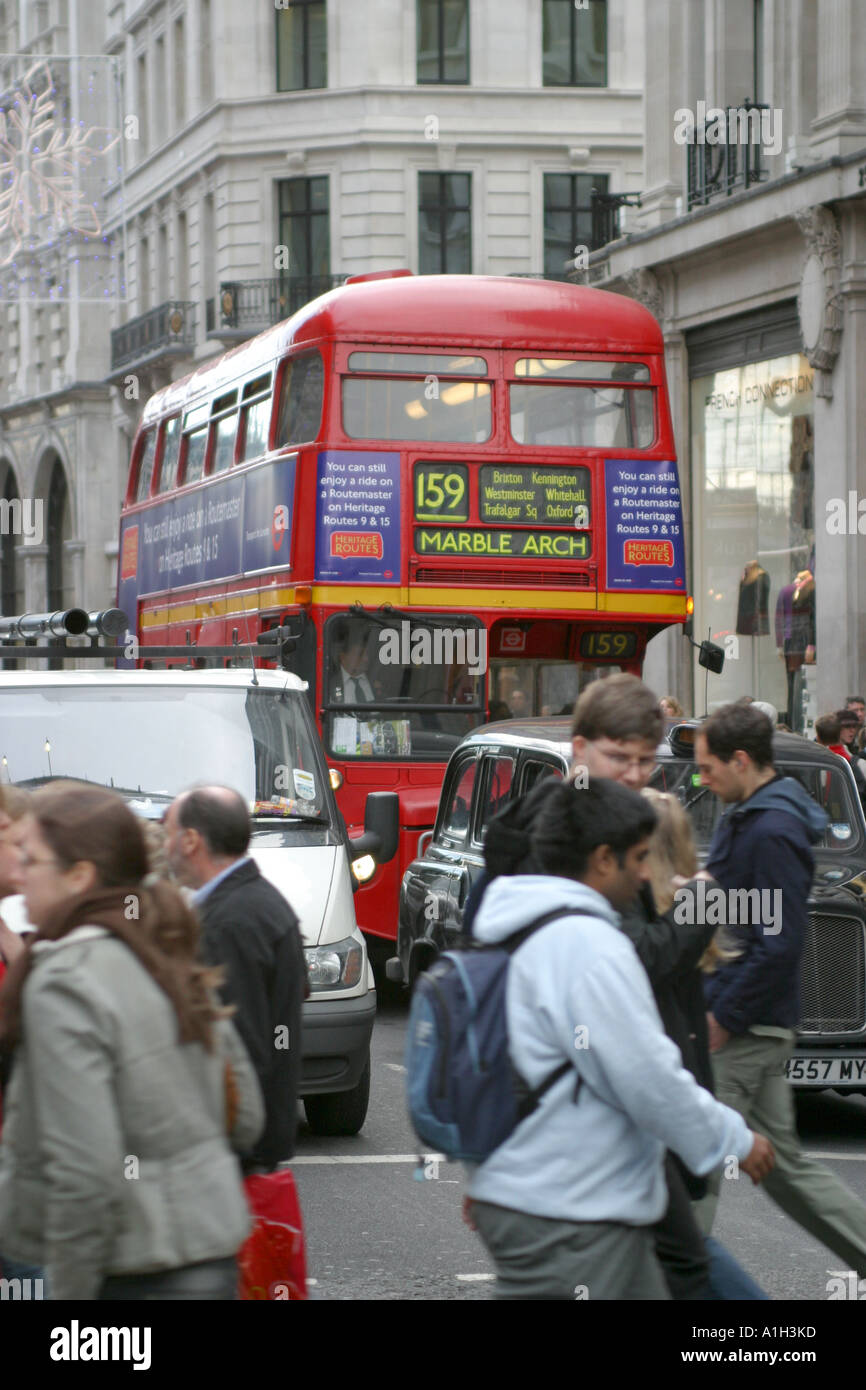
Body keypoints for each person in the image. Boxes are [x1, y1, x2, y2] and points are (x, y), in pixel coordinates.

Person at [465, 673, 766, 1300]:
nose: (633, 773)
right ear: (579, 750)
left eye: (644, 760)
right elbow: (628, 963)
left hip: (586, 1134)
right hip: (582, 1129)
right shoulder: (559, 839)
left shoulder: (610, 821)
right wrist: (699, 906)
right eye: (617, 757)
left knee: (683, 1265)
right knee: (692, 1269)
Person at [0, 783, 262, 1300]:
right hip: (211, 1254)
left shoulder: (65, 981)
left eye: (33, 860)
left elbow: (84, 1173)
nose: (20, 874)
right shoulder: (167, 953)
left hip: (131, 1273)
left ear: (80, 875)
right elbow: (247, 1114)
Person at [695, 702, 866, 1275]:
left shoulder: (770, 830)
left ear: (741, 761)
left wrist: (724, 1016)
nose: (704, 780)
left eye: (709, 768)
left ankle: (668, 1277)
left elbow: (779, 941)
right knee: (787, 1168)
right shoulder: (753, 815)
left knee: (693, 1163)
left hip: (744, 1029)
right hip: (758, 1021)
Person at [164, 785, 308, 1171]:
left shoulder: (229, 922)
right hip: (251, 1143)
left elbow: (238, 1048)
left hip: (237, 1153)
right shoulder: (257, 902)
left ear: (191, 840)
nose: (164, 847)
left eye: (168, 834)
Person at [330, 617, 376, 704]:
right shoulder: (329, 685)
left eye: (367, 654)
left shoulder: (376, 682)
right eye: (360, 654)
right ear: (343, 658)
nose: (366, 659)